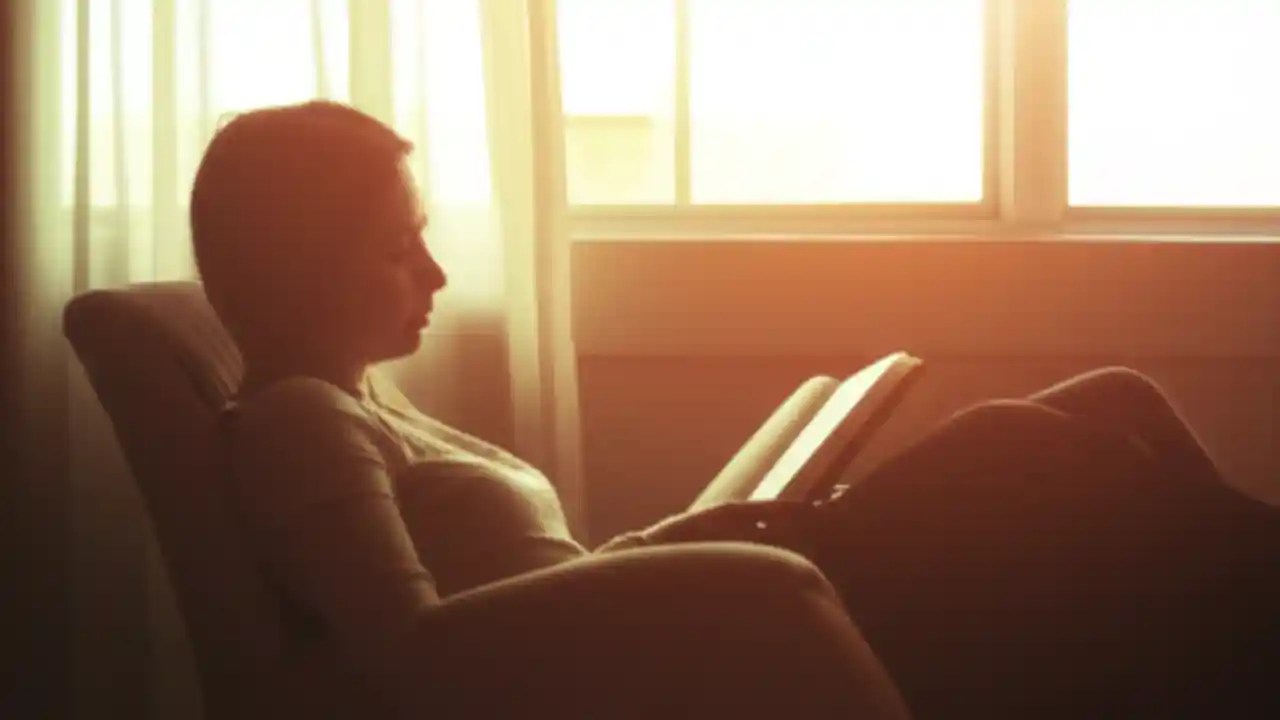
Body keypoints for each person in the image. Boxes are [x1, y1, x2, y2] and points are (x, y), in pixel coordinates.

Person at [192, 101, 1278, 718]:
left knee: (1109, 401)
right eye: (398, 249)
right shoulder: (300, 422)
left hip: (696, 587)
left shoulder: (363, 397)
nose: (434, 274)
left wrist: (684, 531)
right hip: (709, 634)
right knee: (1022, 451)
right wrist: (709, 563)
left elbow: (529, 582)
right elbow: (414, 653)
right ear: (303, 262)